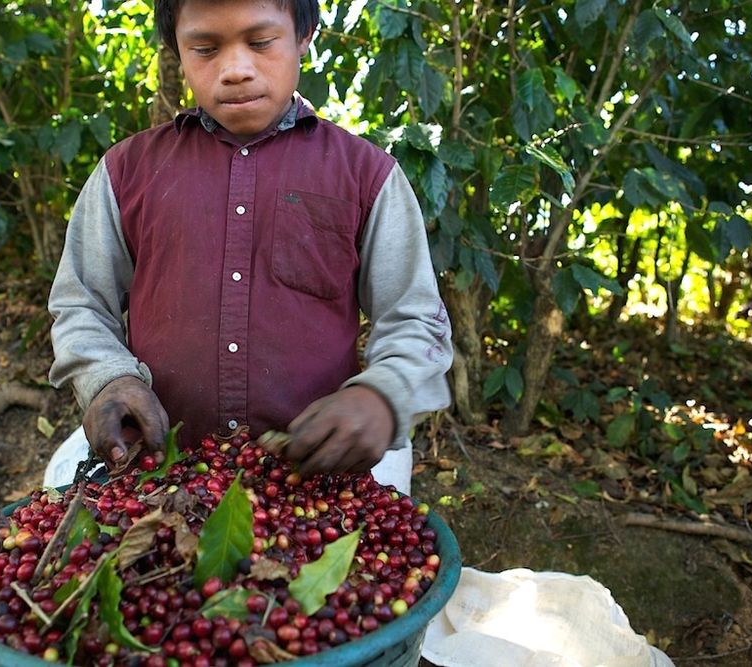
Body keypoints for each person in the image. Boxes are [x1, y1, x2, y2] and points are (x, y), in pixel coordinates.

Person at [45, 0, 452, 495]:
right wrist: (107, 379)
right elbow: (81, 301)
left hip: (316, 483)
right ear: (176, 50)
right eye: (205, 48)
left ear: (304, 36)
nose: (236, 70)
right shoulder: (125, 173)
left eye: (260, 43)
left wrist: (382, 396)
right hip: (158, 477)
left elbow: (414, 317)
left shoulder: (367, 176)